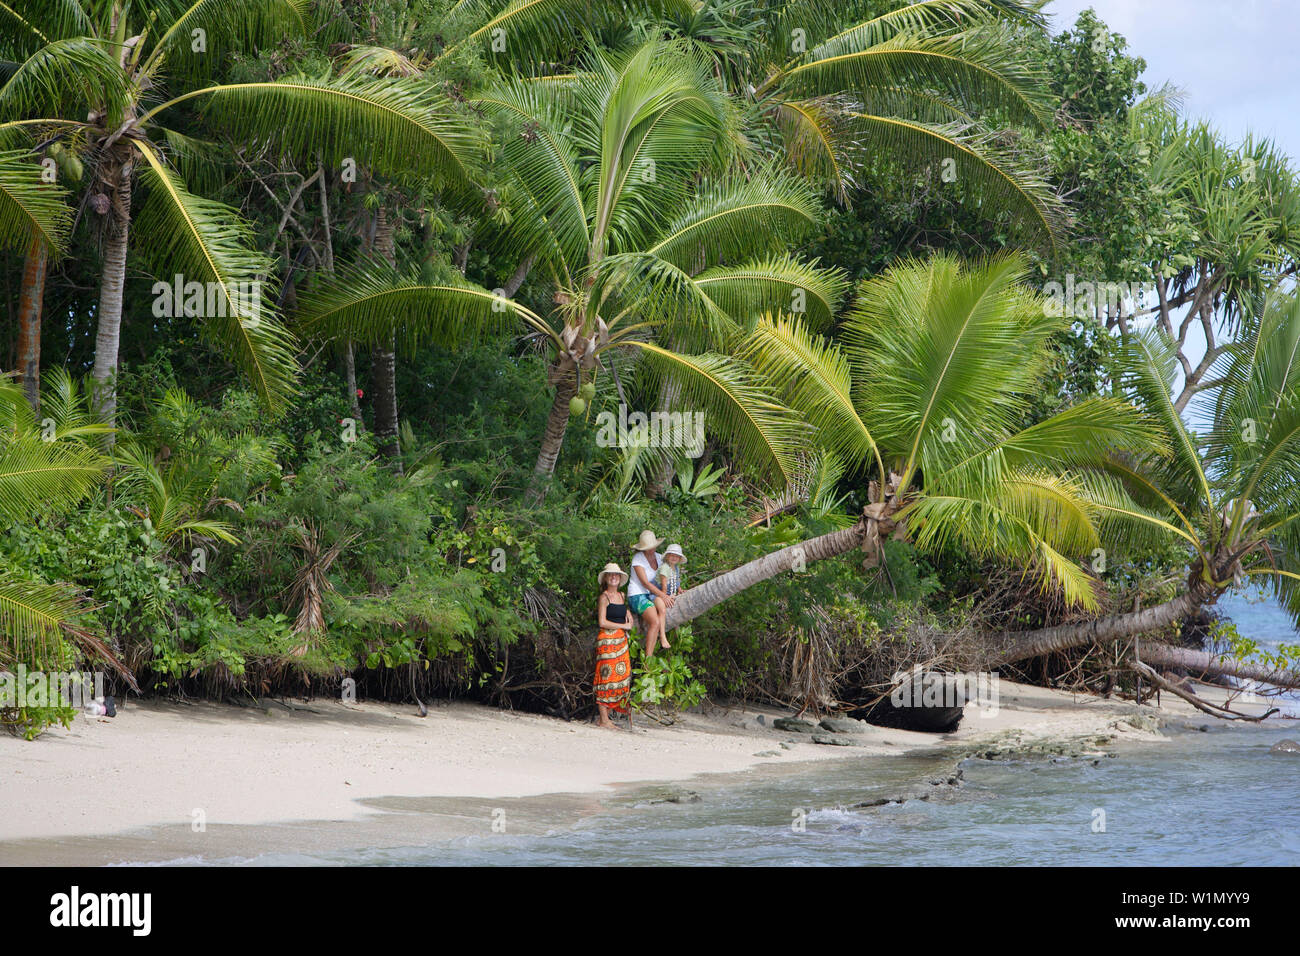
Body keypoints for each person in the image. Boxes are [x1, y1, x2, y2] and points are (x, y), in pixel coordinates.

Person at [594, 562, 633, 729]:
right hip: (607, 641)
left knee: (622, 677)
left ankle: (607, 718)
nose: (614, 577)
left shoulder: (622, 596)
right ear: (606, 578)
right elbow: (602, 621)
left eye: (616, 575)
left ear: (620, 578)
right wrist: (623, 626)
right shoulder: (604, 597)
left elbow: (628, 616)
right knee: (606, 677)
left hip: (621, 641)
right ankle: (603, 720)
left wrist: (628, 623)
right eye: (610, 575)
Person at [628, 530, 673, 657]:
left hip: (652, 595)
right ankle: (648, 659)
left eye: (652, 546)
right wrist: (663, 595)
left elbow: (667, 575)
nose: (651, 549)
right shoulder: (638, 559)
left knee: (661, 612)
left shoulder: (660, 557)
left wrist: (677, 589)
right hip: (637, 595)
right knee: (654, 622)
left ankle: (652, 654)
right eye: (647, 547)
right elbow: (645, 583)